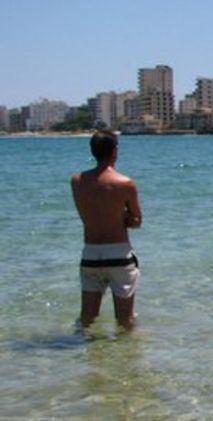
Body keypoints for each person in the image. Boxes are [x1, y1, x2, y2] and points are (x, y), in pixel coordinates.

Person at [71, 130, 143, 330]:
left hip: (91, 254)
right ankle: (126, 358)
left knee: (87, 318)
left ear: (93, 151)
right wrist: (125, 218)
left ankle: (81, 355)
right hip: (119, 254)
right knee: (125, 320)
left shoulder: (77, 182)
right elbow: (137, 221)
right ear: (115, 151)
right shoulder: (125, 183)